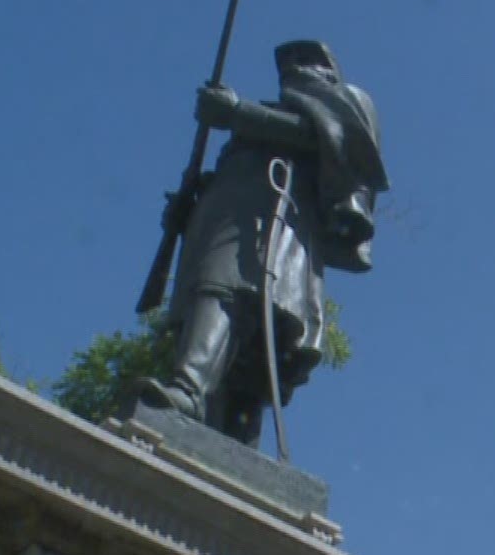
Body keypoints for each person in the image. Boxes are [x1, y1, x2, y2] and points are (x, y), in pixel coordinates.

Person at [136, 40, 389, 446]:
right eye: (287, 61)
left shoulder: (342, 107)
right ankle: (224, 430)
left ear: (330, 73)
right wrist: (191, 203)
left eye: (307, 59)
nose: (293, 66)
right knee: (221, 303)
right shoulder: (263, 121)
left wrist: (238, 114)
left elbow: (324, 138)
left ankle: (188, 390)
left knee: (226, 297)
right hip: (227, 217)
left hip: (275, 229)